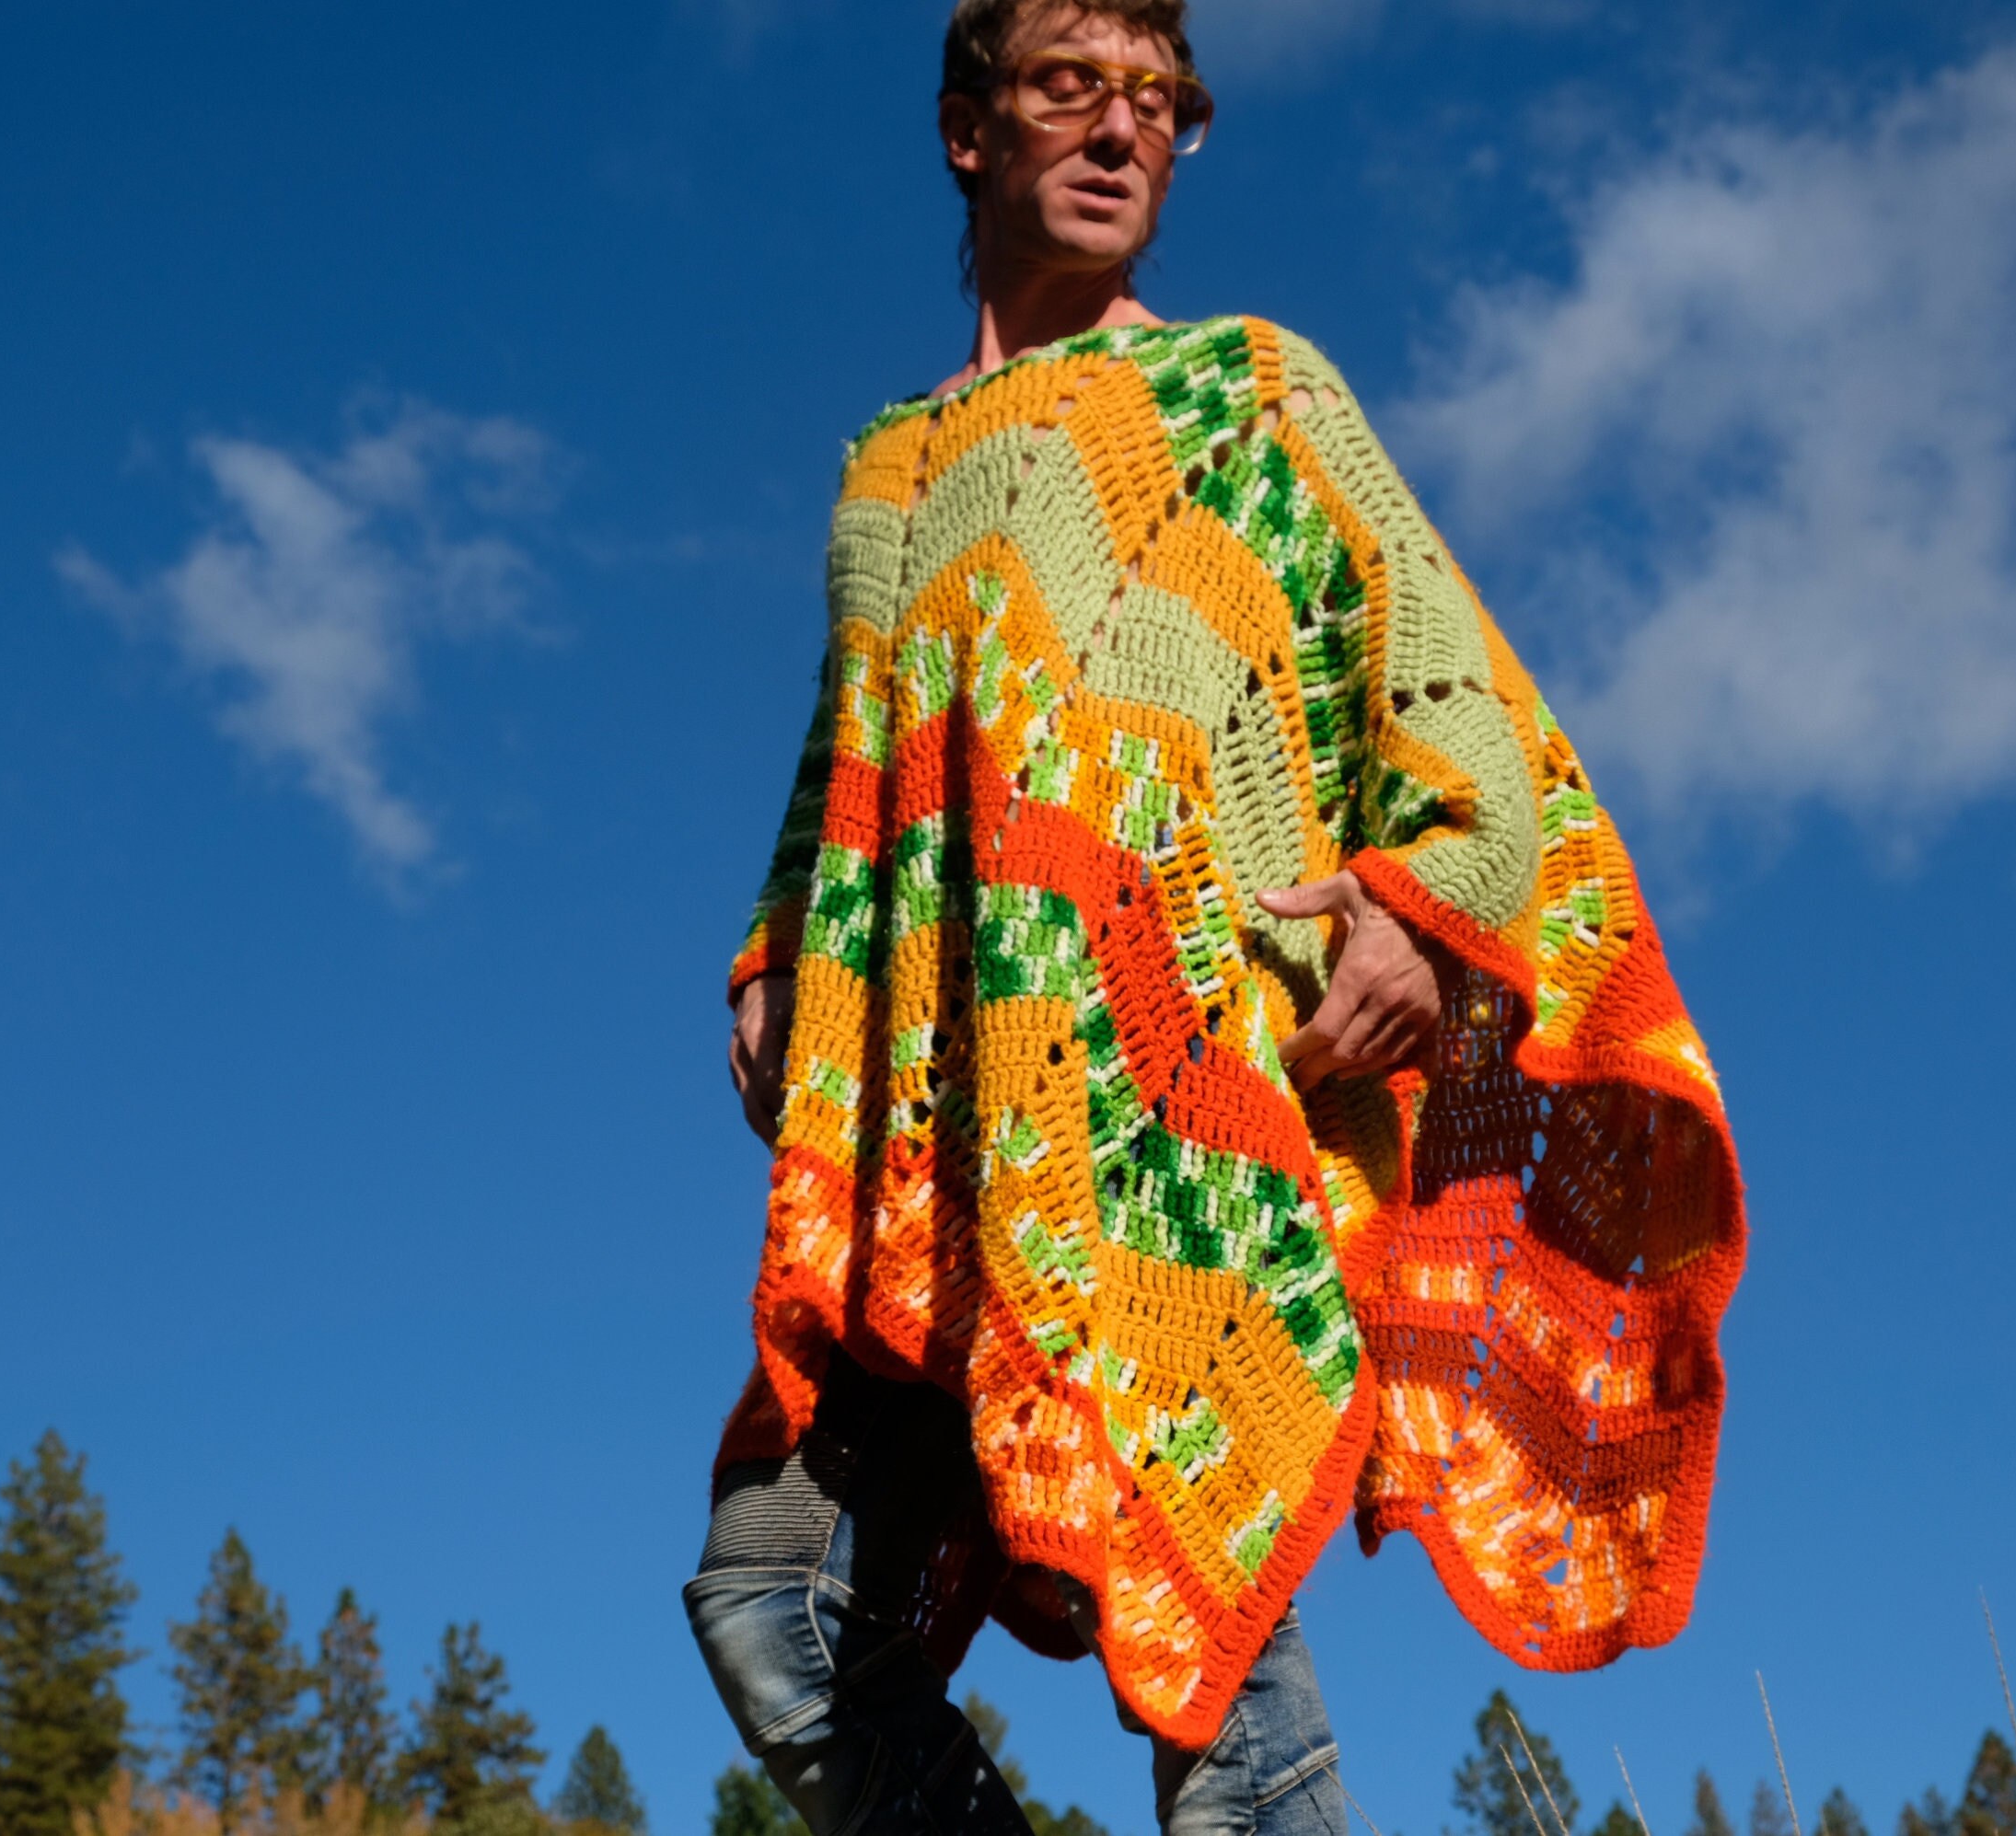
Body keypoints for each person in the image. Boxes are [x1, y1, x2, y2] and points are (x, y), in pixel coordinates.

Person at [685, 4, 1750, 1832]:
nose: (1119, 133)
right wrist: (785, 944)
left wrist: (1424, 914)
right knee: (773, 1596)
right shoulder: (883, 474)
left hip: (1174, 1115)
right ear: (969, 129)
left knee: (1206, 1623)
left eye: (1157, 102)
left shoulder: (1249, 395)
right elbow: (854, 751)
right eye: (1066, 89)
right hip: (940, 1141)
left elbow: (1455, 704)